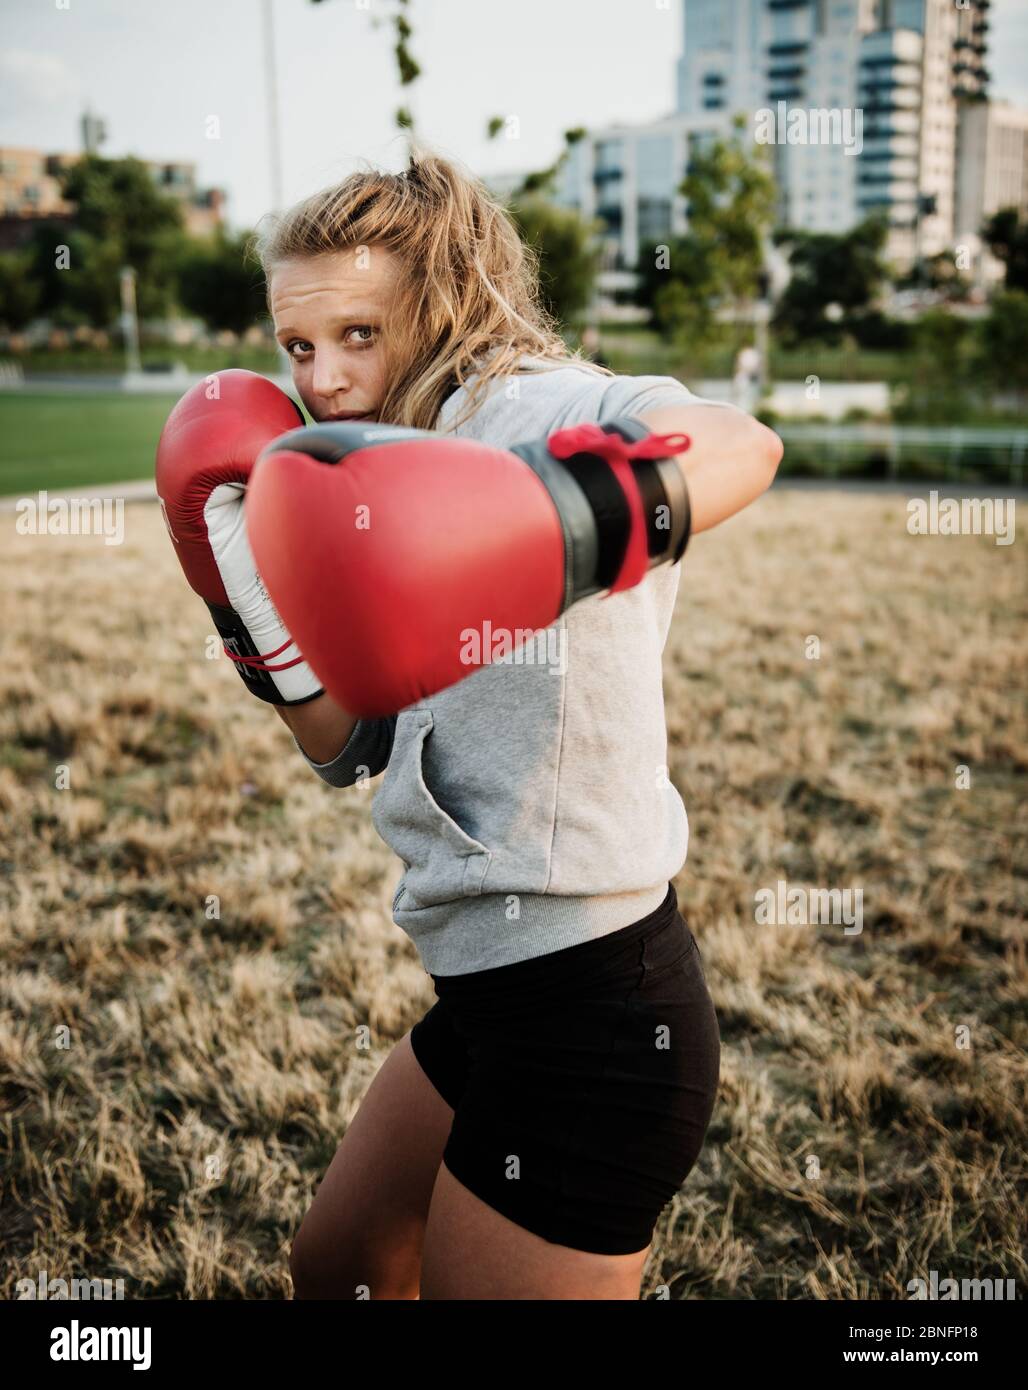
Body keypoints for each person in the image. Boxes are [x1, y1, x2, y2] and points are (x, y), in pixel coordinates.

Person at [169, 148, 782, 1300]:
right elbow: (345, 748)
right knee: (341, 1266)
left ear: (443, 299)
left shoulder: (544, 408)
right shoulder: (355, 472)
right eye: (299, 347)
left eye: (358, 333)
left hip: (595, 1012)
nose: (324, 377)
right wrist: (248, 609)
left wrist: (547, 515)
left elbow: (742, 442)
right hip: (485, 996)